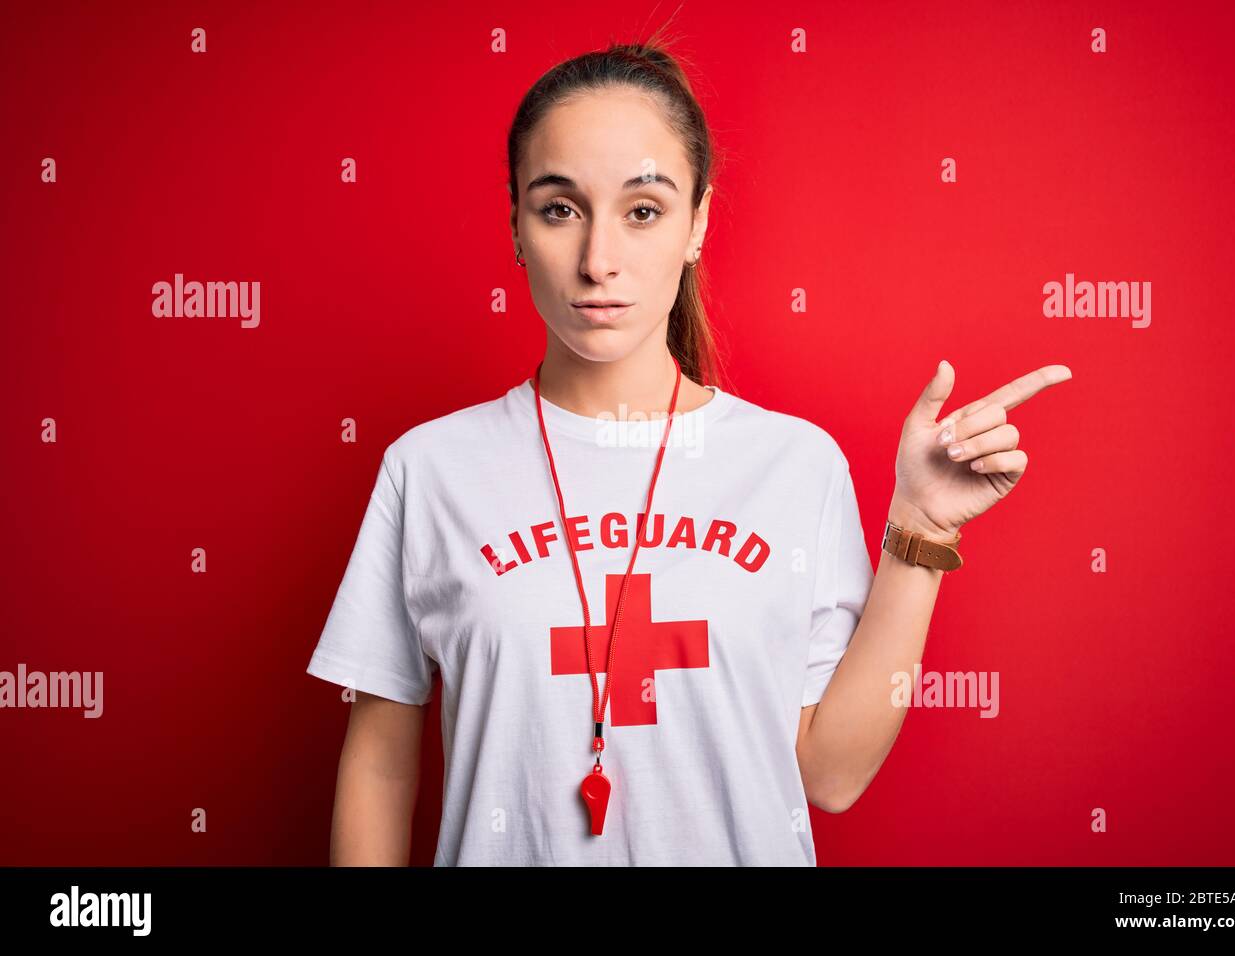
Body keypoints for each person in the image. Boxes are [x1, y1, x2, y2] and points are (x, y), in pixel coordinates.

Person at [306, 37, 1071, 867]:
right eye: (559, 208)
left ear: (698, 223)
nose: (600, 262)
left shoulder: (795, 465)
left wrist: (921, 527)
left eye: (643, 211)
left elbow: (831, 774)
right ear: (517, 227)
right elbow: (381, 764)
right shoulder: (429, 469)